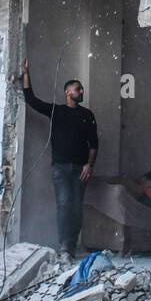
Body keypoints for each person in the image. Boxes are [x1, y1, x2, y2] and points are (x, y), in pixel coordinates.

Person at [21, 59, 99, 260]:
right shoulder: (57, 111)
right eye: (78, 89)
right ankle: (65, 247)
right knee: (65, 204)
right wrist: (26, 75)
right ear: (68, 92)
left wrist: (89, 166)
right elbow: (32, 100)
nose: (81, 92)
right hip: (61, 168)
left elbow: (94, 144)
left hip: (81, 169)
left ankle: (72, 245)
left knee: (77, 207)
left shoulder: (87, 114)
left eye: (81, 90)